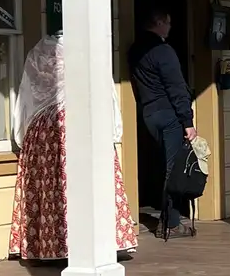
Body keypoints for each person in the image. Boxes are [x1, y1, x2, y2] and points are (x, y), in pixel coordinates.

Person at [9, 33, 136, 261]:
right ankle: (99, 241)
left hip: (45, 129)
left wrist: (22, 135)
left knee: (54, 183)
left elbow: (26, 95)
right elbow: (105, 92)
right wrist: (113, 129)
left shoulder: (37, 53)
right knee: (87, 181)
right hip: (84, 123)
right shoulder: (88, 53)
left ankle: (51, 245)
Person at [128, 7, 197, 239]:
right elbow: (176, 87)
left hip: (149, 114)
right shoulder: (163, 50)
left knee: (165, 166)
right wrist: (187, 121)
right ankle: (171, 223)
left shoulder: (135, 51)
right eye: (167, 23)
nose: (169, 28)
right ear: (158, 23)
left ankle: (170, 219)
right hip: (169, 115)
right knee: (174, 169)